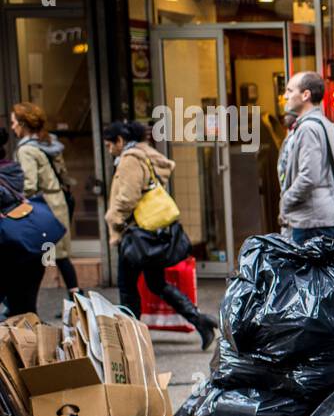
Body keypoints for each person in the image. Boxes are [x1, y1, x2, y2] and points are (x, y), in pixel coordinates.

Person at [104, 120, 219, 348]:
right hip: (150, 234)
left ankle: (132, 341)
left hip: (136, 235)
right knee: (156, 283)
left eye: (109, 145)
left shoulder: (129, 161)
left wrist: (115, 221)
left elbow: (127, 197)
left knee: (127, 287)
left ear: (120, 141)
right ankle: (200, 321)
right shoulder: (144, 155)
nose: (109, 150)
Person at [10, 103, 78, 295]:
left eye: (14, 122)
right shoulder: (50, 144)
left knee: (35, 256)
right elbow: (63, 174)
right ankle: (77, 298)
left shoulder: (26, 150)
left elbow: (29, 184)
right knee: (61, 256)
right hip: (57, 202)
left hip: (42, 206)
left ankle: (24, 305)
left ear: (23, 124)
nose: (12, 127)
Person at [279, 71, 334, 243]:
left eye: (290, 90)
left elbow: (309, 177)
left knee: (308, 271)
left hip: (312, 221)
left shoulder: (308, 128)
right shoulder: (324, 123)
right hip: (321, 218)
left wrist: (286, 201)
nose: (285, 96)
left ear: (305, 95)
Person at [0, 139, 46, 316]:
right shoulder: (14, 171)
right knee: (25, 311)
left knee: (18, 311)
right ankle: (30, 341)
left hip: (7, 249)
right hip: (27, 246)